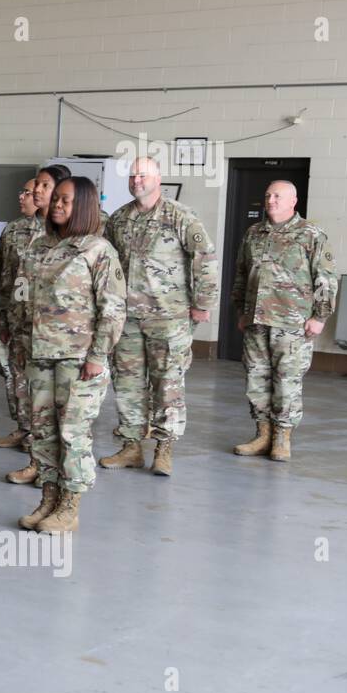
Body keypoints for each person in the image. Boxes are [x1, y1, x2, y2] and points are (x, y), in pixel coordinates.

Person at [17, 176, 126, 533]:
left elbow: (112, 310)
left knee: (72, 433)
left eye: (66, 200)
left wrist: (98, 355)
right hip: (40, 354)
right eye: (57, 199)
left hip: (79, 360)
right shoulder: (39, 246)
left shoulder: (98, 251)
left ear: (84, 206)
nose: (58, 205)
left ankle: (70, 506)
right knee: (43, 432)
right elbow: (25, 301)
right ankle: (48, 499)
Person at [100, 157, 219, 476]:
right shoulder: (119, 219)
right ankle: (132, 446)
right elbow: (108, 265)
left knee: (167, 383)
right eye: (133, 175)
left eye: (143, 175)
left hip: (169, 317)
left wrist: (203, 303)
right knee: (127, 383)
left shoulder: (181, 216)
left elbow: (204, 260)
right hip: (127, 318)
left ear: (158, 178)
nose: (137, 180)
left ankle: (164, 448)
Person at [230, 180, 338, 462]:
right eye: (267, 195)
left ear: (293, 201)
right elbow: (241, 274)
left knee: (287, 381)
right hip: (256, 320)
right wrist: (241, 310)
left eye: (278, 195)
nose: (271, 200)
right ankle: (262, 434)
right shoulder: (254, 233)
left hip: (292, 324)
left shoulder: (311, 235)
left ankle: (282, 438)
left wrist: (320, 316)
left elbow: (326, 278)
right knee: (256, 379)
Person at [0, 166, 64, 485]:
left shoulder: (83, 236)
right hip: (30, 328)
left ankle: (59, 475)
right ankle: (39, 463)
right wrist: (15, 316)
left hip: (65, 337)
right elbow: (20, 281)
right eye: (35, 185)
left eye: (44, 185)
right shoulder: (34, 236)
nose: (36, 190)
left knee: (61, 408)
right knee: (37, 399)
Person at [0, 174, 44, 451]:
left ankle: (39, 433)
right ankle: (23, 427)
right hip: (10, 314)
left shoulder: (56, 232)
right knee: (11, 371)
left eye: (28, 192)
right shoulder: (13, 229)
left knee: (37, 375)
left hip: (38, 319)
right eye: (23, 191)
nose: (22, 196)